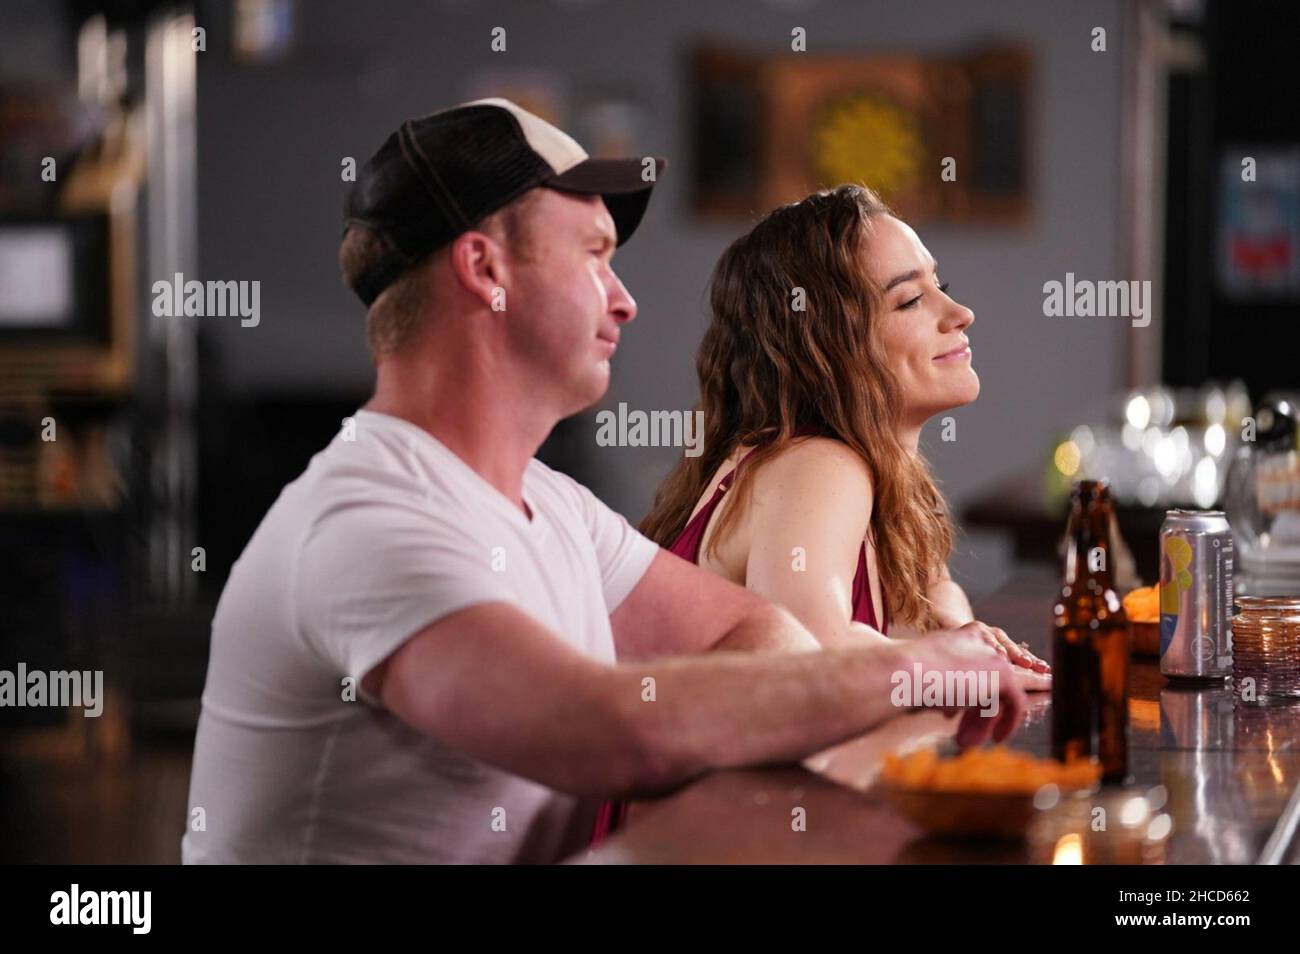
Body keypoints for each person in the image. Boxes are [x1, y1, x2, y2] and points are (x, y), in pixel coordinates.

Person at [182, 101, 1024, 865]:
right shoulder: (369, 521)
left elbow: (756, 632)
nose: (623, 301)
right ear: (485, 270)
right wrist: (917, 670)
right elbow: (612, 730)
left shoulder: (553, 508)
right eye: (592, 255)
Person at [642, 184, 1052, 686]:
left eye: (940, 284)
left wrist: (952, 628)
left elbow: (930, 600)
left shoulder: (869, 474)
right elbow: (809, 654)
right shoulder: (818, 464)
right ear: (821, 346)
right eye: (910, 301)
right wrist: (958, 664)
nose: (959, 313)